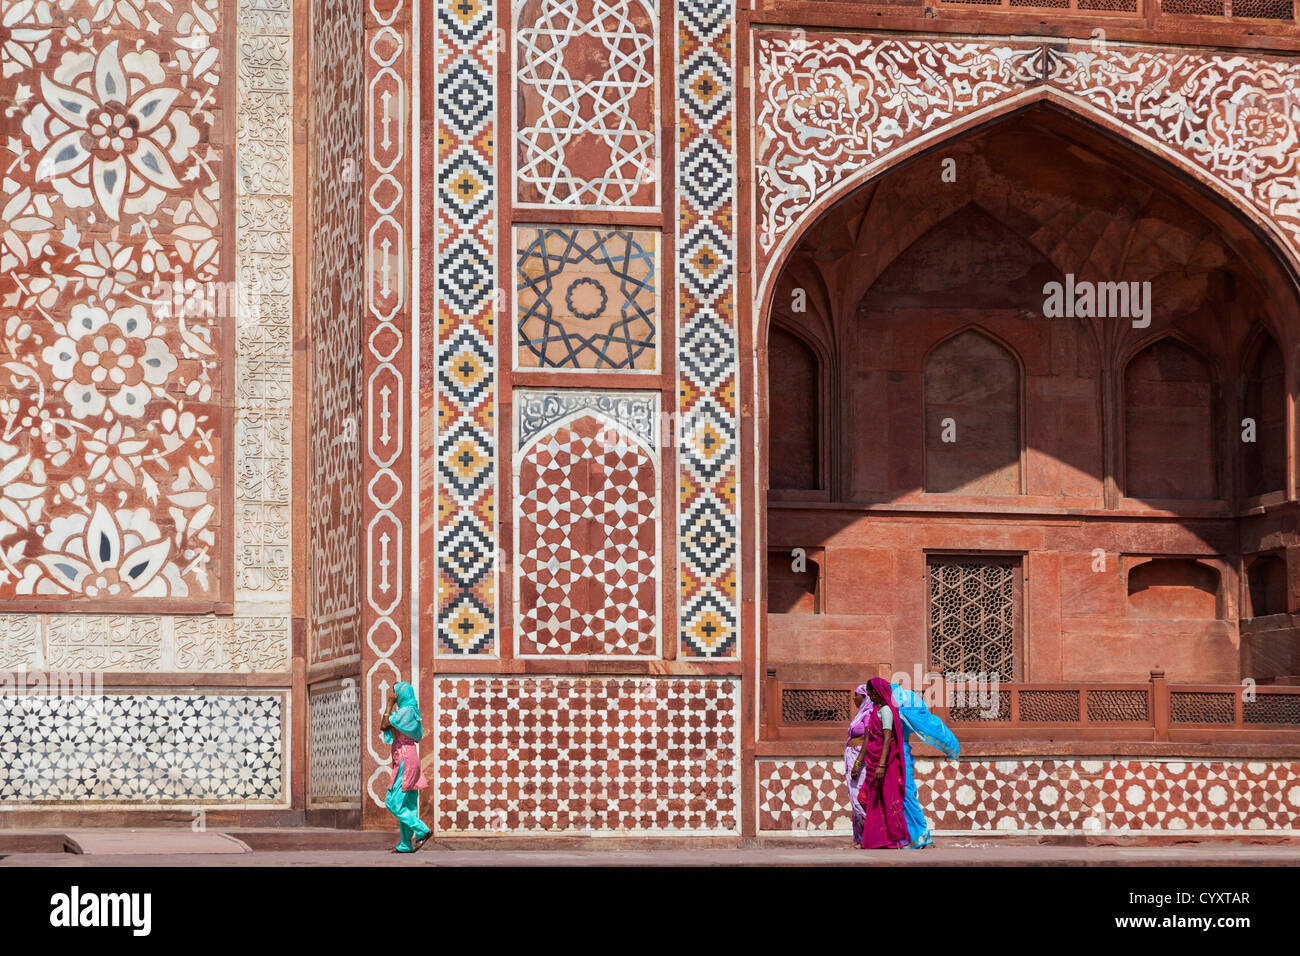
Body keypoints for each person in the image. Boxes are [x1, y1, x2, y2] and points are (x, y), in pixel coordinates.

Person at [851, 677, 910, 849]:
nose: (868, 694)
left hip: (883, 764)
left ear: (876, 692)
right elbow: (870, 736)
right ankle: (880, 837)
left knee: (885, 798)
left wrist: (881, 765)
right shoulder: (877, 708)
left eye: (869, 691)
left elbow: (886, 739)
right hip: (873, 762)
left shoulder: (886, 712)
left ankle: (891, 838)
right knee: (869, 798)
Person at [381, 681, 430, 853]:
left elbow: (384, 725)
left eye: (395, 692)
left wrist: (388, 704)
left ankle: (422, 830)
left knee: (393, 802)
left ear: (401, 694)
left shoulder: (404, 712)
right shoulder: (412, 712)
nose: (394, 695)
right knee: (408, 804)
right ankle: (405, 844)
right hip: (411, 756)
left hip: (404, 758)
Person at [844, 684, 872, 846]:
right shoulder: (860, 714)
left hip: (859, 759)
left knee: (858, 799)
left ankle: (875, 834)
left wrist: (858, 762)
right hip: (851, 756)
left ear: (864, 697)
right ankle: (861, 838)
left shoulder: (868, 714)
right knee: (854, 800)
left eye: (856, 695)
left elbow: (868, 739)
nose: (853, 698)